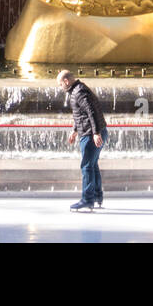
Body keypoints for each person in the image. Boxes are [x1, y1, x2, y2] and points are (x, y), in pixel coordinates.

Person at [57, 69, 108, 212]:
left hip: (90, 134)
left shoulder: (78, 92)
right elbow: (80, 114)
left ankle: (87, 199)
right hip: (95, 131)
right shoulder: (79, 89)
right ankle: (97, 196)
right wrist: (74, 131)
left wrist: (95, 133)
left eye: (61, 84)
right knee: (93, 164)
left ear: (66, 81)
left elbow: (91, 112)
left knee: (86, 166)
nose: (61, 87)